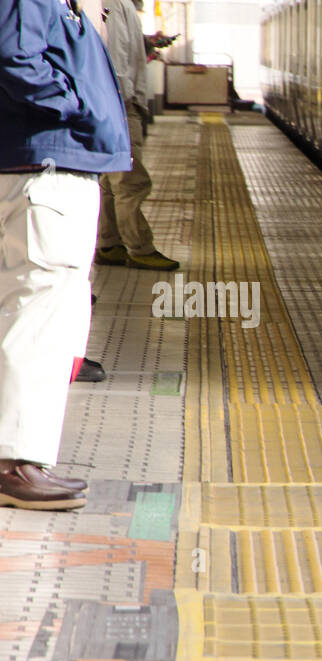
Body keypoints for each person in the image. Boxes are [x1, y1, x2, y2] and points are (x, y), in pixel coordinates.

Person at [0, 0, 130, 509]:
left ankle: (19, 458)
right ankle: (14, 463)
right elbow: (13, 55)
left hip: (52, 169)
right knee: (37, 314)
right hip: (46, 169)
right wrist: (75, 105)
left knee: (36, 310)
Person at [93, 0, 177, 271]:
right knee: (131, 182)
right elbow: (115, 57)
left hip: (113, 102)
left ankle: (108, 242)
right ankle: (140, 247)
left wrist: (146, 42)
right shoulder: (115, 5)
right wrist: (121, 103)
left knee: (110, 181)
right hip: (119, 104)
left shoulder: (117, 4)